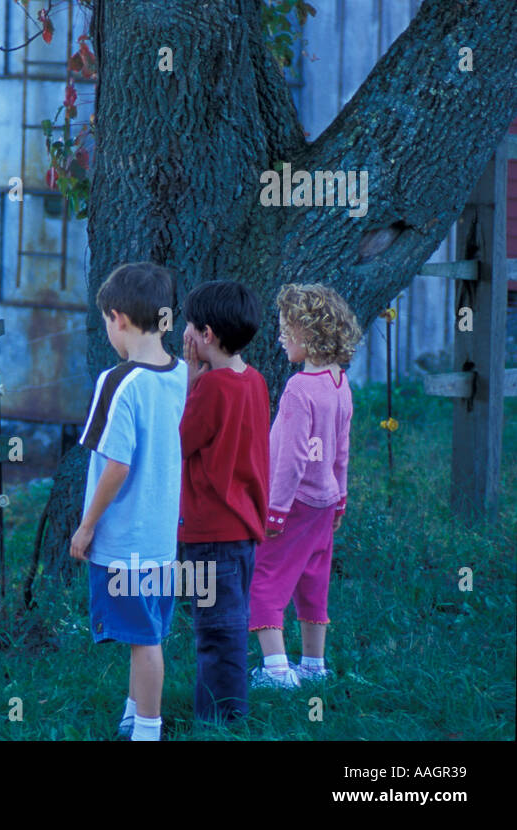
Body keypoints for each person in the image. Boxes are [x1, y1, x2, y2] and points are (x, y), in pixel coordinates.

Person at [70, 262, 187, 741]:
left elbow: (115, 465)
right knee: (146, 632)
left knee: (145, 640)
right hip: (163, 537)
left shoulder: (117, 382)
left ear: (117, 317)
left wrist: (86, 525)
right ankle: (133, 711)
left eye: (105, 321)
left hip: (126, 538)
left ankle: (147, 729)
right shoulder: (184, 375)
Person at [249, 283, 360, 688]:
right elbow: (341, 452)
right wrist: (341, 499)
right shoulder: (339, 382)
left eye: (285, 329)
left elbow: (292, 459)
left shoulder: (299, 389)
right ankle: (314, 667)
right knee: (313, 577)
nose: (280, 337)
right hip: (325, 502)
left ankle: (277, 671)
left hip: (293, 504)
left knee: (264, 576)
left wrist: (274, 512)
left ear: (309, 334)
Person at [178, 280, 271, 723]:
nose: (186, 333)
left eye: (190, 327)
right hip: (243, 529)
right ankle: (220, 717)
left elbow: (178, 442)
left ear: (206, 335)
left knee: (216, 634)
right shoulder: (254, 381)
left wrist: (189, 383)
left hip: (211, 531)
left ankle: (221, 723)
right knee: (229, 626)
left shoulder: (211, 390)